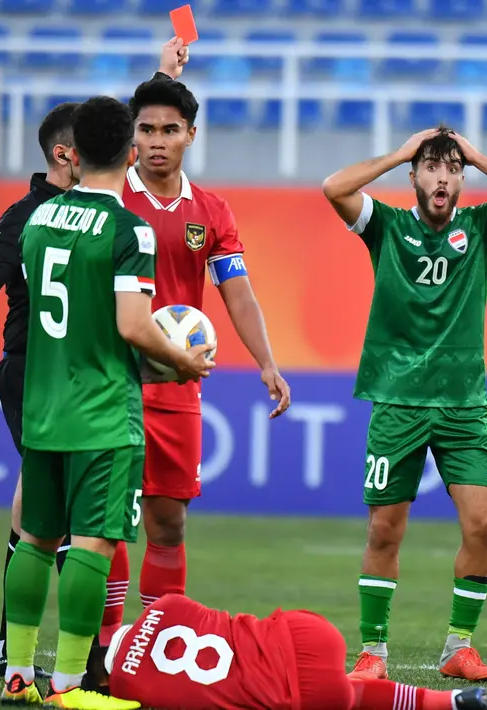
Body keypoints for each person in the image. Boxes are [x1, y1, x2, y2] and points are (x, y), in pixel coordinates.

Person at [0, 40, 187, 681]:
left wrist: (162, 76)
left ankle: (23, 661)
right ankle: (67, 667)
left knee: (39, 521)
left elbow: (106, 130)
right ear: (70, 154)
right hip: (49, 374)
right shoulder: (47, 219)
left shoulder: (44, 217)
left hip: (53, 379)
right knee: (72, 526)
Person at [0, 94, 214, 709]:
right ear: (126, 152)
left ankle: (18, 674)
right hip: (102, 414)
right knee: (93, 544)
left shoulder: (40, 220)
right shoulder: (128, 228)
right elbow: (131, 324)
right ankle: (69, 684)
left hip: (43, 407)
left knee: (36, 539)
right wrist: (183, 359)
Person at [321, 126, 487, 682]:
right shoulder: (387, 228)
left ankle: (457, 647)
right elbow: (334, 187)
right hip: (398, 402)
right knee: (385, 531)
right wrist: (401, 150)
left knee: (484, 523)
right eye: (430, 167)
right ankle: (373, 651)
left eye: (452, 169)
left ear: (462, 178)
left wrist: (474, 154)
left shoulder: (481, 228)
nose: (442, 177)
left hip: (462, 406)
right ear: (414, 176)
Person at [119, 69, 292, 616]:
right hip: (111, 378)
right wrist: (164, 71)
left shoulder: (211, 212)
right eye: (146, 130)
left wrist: (267, 362)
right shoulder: (110, 194)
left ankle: (151, 643)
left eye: (170, 130)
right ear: (132, 136)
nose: (156, 142)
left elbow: (237, 293)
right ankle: (101, 647)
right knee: (108, 519)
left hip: (178, 379)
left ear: (190, 135)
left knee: (168, 522)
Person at [105, 594, 487, 710]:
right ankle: (457, 701)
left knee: (340, 695)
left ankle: (452, 703)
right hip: (310, 633)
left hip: (300, 695)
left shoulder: (130, 687)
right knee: (332, 685)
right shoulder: (167, 607)